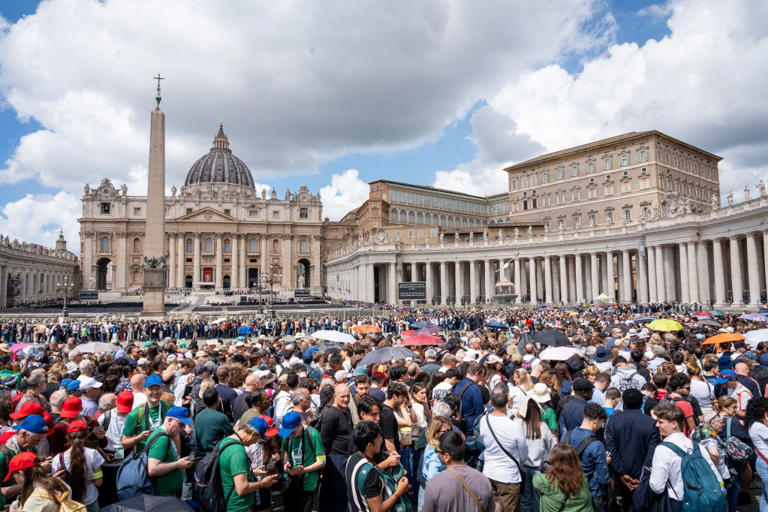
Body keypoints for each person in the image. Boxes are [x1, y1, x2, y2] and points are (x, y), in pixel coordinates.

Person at [649, 404, 723, 508]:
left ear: (674, 424)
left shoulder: (662, 449)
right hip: (706, 500)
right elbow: (715, 474)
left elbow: (657, 487)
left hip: (680, 504)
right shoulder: (697, 446)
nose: (657, 425)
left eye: (660, 422)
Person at [605, 388, 659, 512]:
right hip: (641, 475)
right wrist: (642, 475)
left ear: (623, 403)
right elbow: (652, 453)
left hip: (622, 475)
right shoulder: (650, 423)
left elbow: (611, 448)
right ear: (641, 403)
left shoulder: (613, 420)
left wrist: (621, 473)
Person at [477, 382, 527, 510]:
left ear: (491, 402)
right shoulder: (515, 425)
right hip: (509, 477)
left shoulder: (484, 420)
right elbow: (523, 454)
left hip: (489, 472)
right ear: (508, 400)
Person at [422, 431, 495, 512]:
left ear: (446, 457)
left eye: (437, 451)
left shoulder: (433, 484)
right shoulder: (483, 480)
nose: (437, 454)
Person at [345, 421, 409, 512]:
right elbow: (377, 510)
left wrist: (386, 463)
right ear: (370, 445)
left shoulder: (352, 459)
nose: (381, 440)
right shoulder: (371, 474)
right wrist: (399, 492)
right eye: (379, 438)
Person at [220, 416, 280, 512]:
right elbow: (242, 488)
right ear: (252, 434)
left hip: (231, 502)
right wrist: (262, 484)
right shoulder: (238, 451)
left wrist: (252, 472)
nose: (255, 442)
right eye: (257, 439)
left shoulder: (227, 440)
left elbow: (232, 472)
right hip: (239, 506)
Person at [563, 402, 610, 511]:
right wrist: (605, 461)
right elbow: (604, 479)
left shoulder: (566, 435)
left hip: (568, 489)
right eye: (601, 423)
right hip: (591, 493)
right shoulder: (597, 445)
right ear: (596, 421)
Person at [51, 420, 103, 512]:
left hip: (70, 503)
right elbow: (98, 481)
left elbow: (56, 483)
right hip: (90, 500)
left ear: (68, 437)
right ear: (87, 436)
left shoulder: (58, 458)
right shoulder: (93, 454)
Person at [0, 415, 51, 509]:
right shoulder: (2, 455)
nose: (37, 444)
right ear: (23, 434)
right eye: (36, 440)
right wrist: (26, 484)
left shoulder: (31, 449)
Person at [279, 411, 326, 512]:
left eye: (292, 433)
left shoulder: (313, 434)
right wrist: (286, 462)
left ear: (300, 425)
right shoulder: (287, 434)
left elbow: (322, 461)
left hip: (307, 483)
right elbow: (286, 452)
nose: (290, 436)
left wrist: (304, 470)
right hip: (290, 481)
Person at [516, 396, 555, 512]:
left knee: (525, 498)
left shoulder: (519, 425)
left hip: (523, 467)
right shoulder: (543, 427)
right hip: (539, 468)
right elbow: (552, 447)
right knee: (538, 499)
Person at [146, 406, 196, 497]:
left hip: (167, 495)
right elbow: (152, 469)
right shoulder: (162, 439)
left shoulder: (168, 435)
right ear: (169, 420)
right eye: (181, 424)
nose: (183, 428)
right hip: (161, 497)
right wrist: (178, 464)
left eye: (185, 425)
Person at [319, 383, 354, 512]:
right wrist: (322, 467)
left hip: (346, 457)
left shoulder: (346, 410)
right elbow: (324, 442)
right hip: (335, 460)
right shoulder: (330, 415)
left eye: (348, 396)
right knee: (337, 495)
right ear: (334, 396)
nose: (346, 399)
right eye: (342, 397)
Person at [533, 443, 594, 512]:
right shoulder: (582, 478)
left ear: (553, 460)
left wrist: (549, 468)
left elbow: (535, 479)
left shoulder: (543, 481)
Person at [122, 374, 170, 453]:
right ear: (145, 390)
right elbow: (124, 443)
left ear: (162, 389)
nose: (154, 392)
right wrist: (139, 437)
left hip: (167, 456)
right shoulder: (135, 414)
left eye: (157, 388)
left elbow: (177, 435)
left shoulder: (170, 408)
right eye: (151, 389)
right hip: (145, 457)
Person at [6, 452, 70, 512]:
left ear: (21, 473)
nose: (14, 478)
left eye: (13, 475)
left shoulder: (34, 499)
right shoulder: (60, 483)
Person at [418, 416, 451, 510]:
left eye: (450, 430)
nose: (449, 434)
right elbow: (432, 478)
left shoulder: (432, 445)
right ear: (436, 433)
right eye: (445, 432)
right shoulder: (436, 452)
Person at [194, 387, 234, 456]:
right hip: (215, 455)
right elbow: (232, 436)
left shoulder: (198, 416)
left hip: (200, 455)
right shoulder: (221, 417)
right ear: (217, 400)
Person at [747, 397, 768, 512]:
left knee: (765, 496)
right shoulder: (759, 427)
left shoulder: (754, 424)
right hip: (766, 463)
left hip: (763, 462)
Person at [452, 362, 485, 435]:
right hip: (470, 428)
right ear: (477, 373)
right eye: (481, 376)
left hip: (456, 425)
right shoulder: (475, 389)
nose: (481, 379)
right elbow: (479, 413)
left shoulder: (456, 384)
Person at [97, 390, 133, 457]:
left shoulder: (133, 417)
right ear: (116, 402)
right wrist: (104, 455)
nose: (123, 411)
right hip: (106, 451)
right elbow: (95, 436)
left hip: (124, 452)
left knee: (118, 462)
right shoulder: (104, 417)